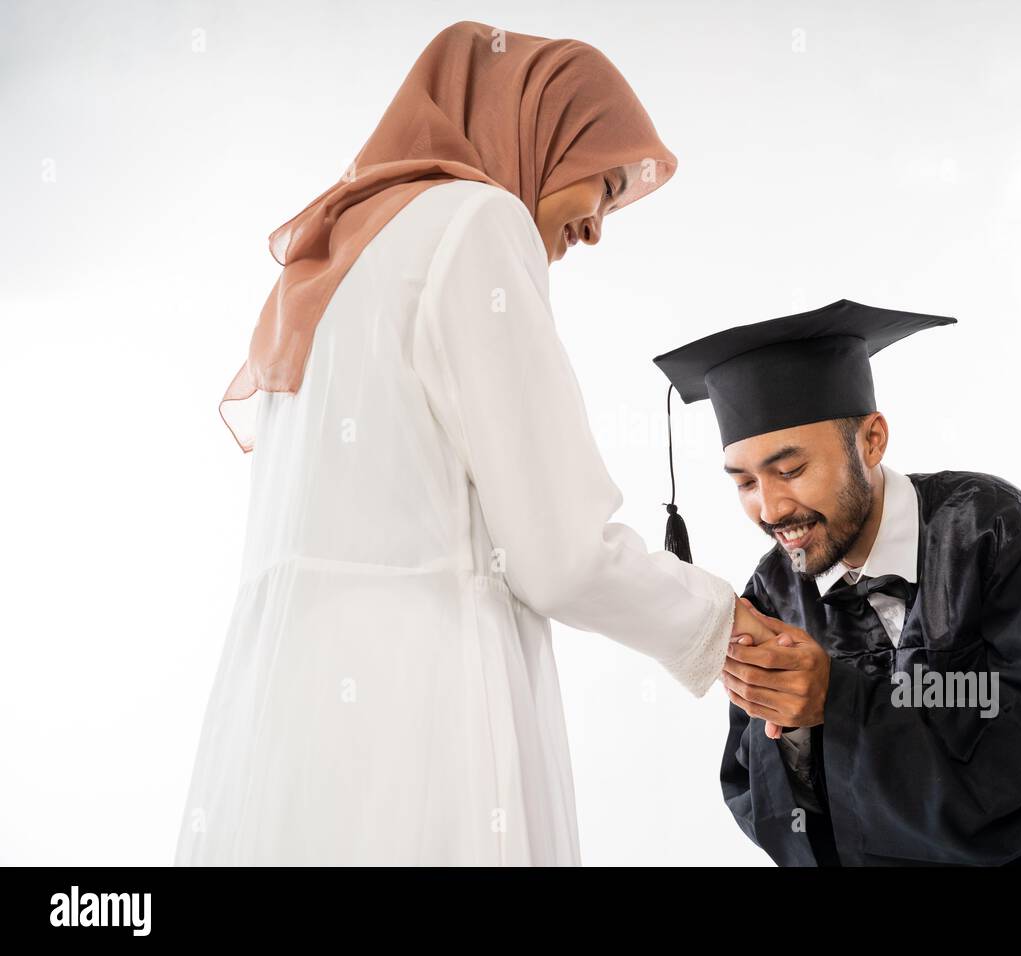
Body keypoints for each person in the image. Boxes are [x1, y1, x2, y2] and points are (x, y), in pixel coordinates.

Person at [175, 21, 773, 866]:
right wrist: (725, 624)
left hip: (282, 721)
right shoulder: (477, 220)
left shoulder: (329, 258)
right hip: (423, 713)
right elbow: (560, 553)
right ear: (535, 127)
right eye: (599, 184)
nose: (598, 227)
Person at [653, 298, 1021, 866]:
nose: (770, 509)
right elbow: (766, 804)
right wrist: (791, 731)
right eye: (744, 482)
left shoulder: (997, 534)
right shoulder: (775, 593)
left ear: (871, 441)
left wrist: (837, 701)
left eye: (791, 470)